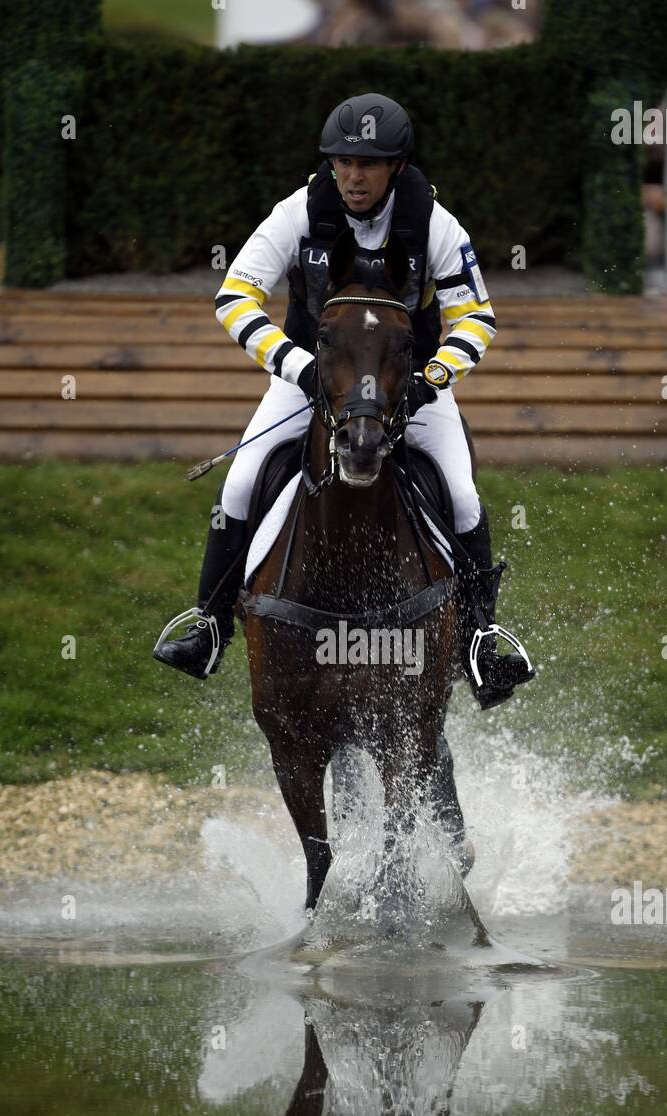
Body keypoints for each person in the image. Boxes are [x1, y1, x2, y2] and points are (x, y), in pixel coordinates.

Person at [154, 93, 533, 709]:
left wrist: (431, 378)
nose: (353, 177)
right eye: (342, 163)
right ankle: (210, 624)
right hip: (312, 376)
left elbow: (477, 317)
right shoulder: (297, 213)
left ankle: (479, 637)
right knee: (240, 482)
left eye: (370, 164)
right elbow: (234, 296)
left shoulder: (436, 223)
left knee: (462, 493)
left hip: (408, 384)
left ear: (398, 168)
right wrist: (299, 368)